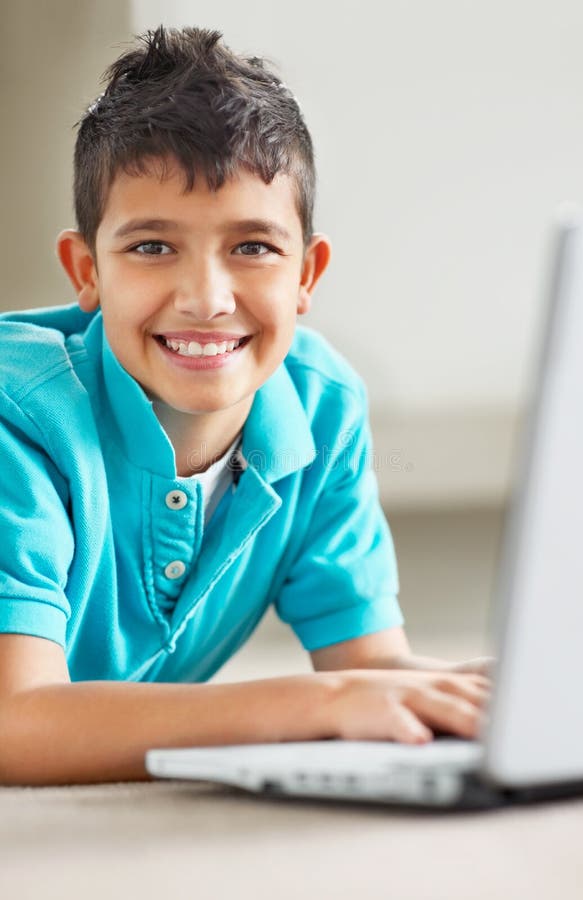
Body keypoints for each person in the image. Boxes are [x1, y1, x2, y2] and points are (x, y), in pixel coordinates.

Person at [0, 26, 490, 786]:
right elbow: (15, 725)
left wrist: (484, 697)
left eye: (253, 247)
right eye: (152, 247)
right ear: (85, 270)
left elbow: (369, 668)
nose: (205, 299)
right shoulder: (19, 415)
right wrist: (322, 702)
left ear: (307, 273)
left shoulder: (322, 411)